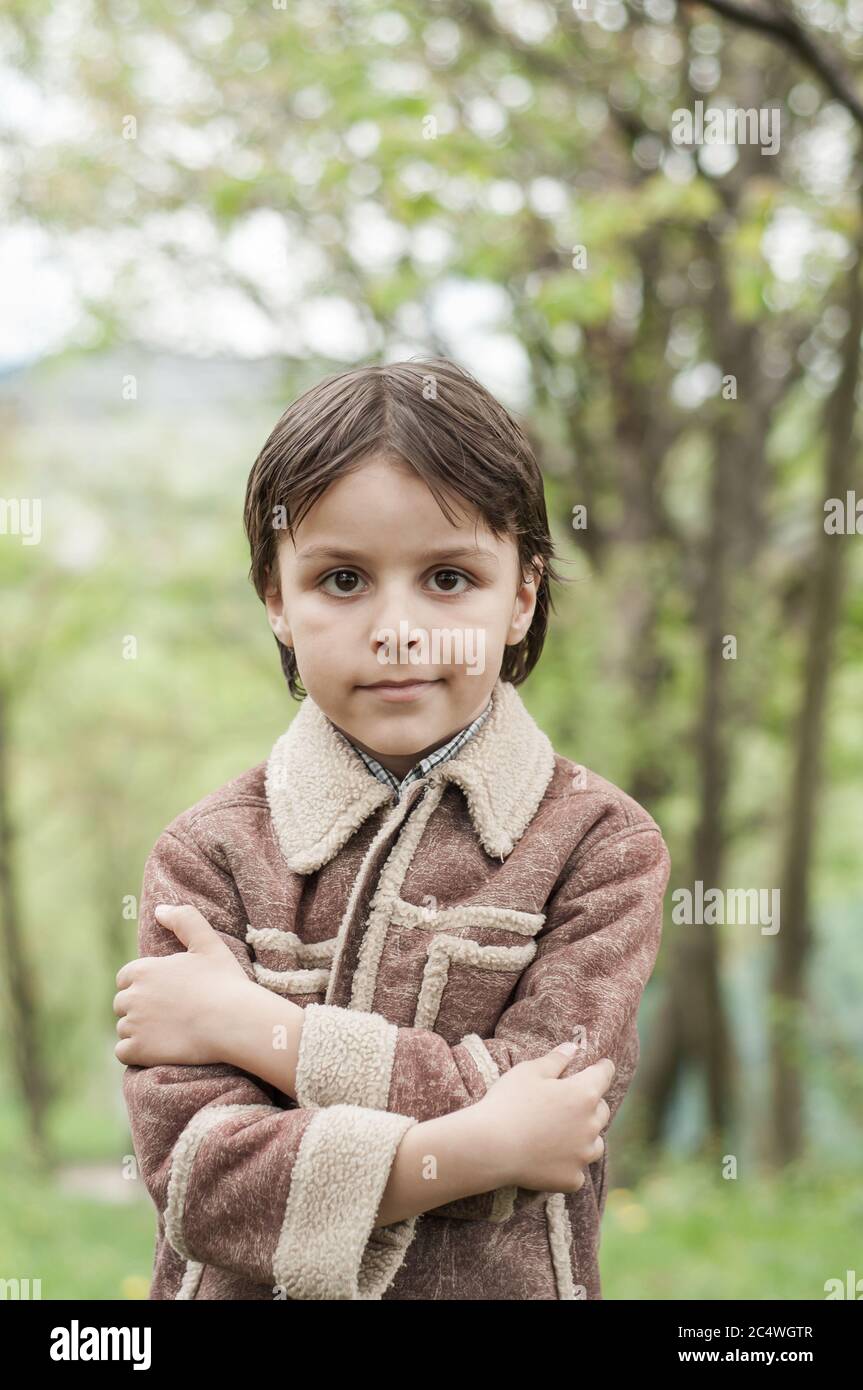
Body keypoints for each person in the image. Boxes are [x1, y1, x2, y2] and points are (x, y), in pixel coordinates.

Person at [114, 356, 671, 1301]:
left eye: (449, 577)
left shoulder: (599, 847)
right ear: (277, 600)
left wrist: (261, 1029)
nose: (399, 630)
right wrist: (474, 1145)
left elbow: (554, 1114)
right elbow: (205, 1185)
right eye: (341, 579)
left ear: (522, 596)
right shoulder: (206, 854)